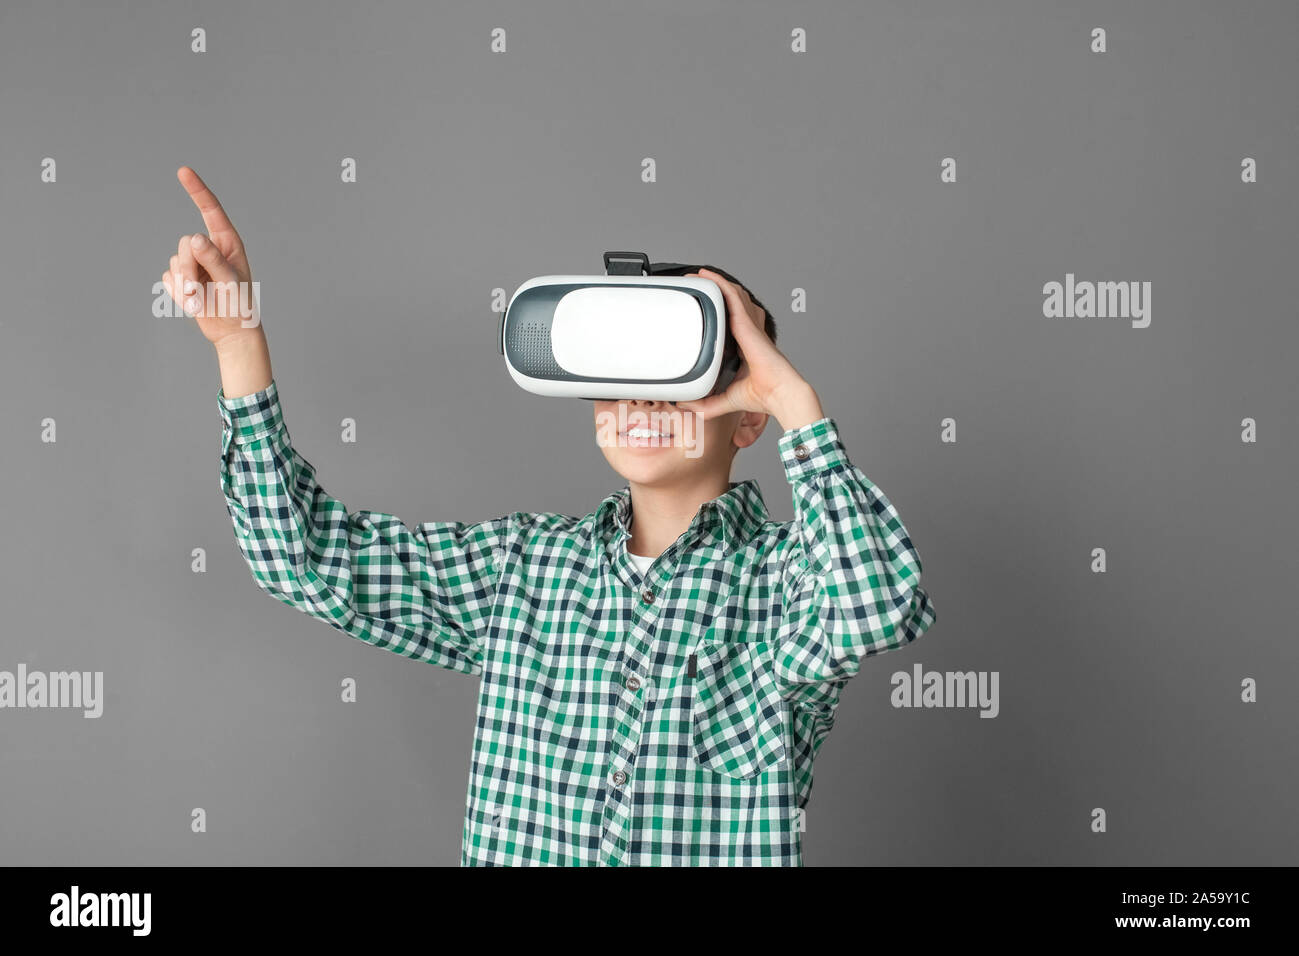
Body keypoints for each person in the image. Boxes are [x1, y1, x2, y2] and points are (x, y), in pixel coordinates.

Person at [161, 165, 937, 866]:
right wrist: (238, 342)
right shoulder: (522, 570)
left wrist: (796, 405)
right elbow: (301, 559)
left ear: (747, 416)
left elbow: (878, 603)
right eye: (620, 368)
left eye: (676, 371)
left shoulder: (786, 587)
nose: (640, 400)